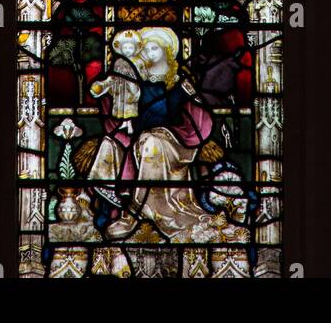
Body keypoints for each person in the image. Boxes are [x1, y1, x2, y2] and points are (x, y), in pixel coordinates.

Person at [101, 27, 247, 244]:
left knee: (153, 142)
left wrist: (180, 97)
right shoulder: (136, 77)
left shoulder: (180, 79)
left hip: (177, 140)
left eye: (154, 48)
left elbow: (193, 115)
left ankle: (157, 210)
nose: (148, 54)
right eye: (146, 49)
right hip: (143, 137)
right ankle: (138, 210)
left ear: (167, 50)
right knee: (143, 142)